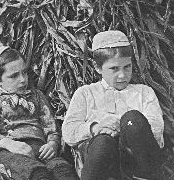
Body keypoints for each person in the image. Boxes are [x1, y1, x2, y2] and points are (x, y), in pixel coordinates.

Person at [62, 30, 167, 180]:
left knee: (132, 119)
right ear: (98, 67)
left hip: (137, 160)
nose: (123, 75)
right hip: (103, 162)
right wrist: (96, 128)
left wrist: (123, 129)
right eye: (114, 69)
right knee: (103, 141)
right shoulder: (86, 93)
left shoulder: (144, 92)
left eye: (127, 67)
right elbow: (68, 132)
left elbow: (156, 128)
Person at [0, 46, 78, 180]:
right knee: (38, 174)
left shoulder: (36, 96)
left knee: (64, 172)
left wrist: (52, 144)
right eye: (14, 76)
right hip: (9, 152)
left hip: (41, 149)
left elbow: (50, 126)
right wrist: (10, 144)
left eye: (24, 72)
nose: (23, 79)